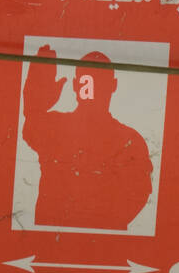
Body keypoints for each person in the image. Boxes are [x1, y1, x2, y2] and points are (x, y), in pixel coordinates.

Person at [23, 47, 152, 230]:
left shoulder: (53, 126)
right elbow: (138, 195)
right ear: (114, 85)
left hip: (55, 242)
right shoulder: (131, 140)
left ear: (76, 85)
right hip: (90, 245)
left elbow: (138, 195)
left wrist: (35, 105)